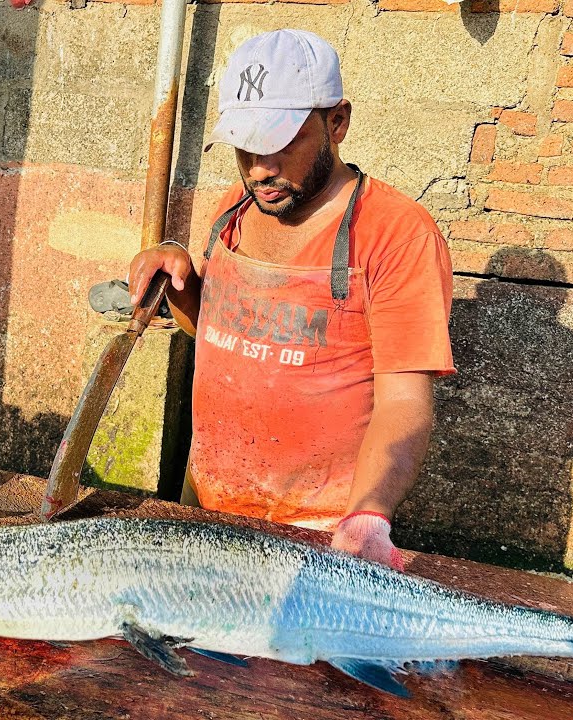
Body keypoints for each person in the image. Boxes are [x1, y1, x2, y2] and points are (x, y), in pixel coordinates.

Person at [127, 29, 455, 571]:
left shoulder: (395, 233)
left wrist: (367, 518)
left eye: (280, 143)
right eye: (246, 145)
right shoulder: (237, 207)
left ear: (337, 122)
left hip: (324, 533)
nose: (260, 167)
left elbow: (404, 401)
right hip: (207, 502)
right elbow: (223, 334)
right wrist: (182, 283)